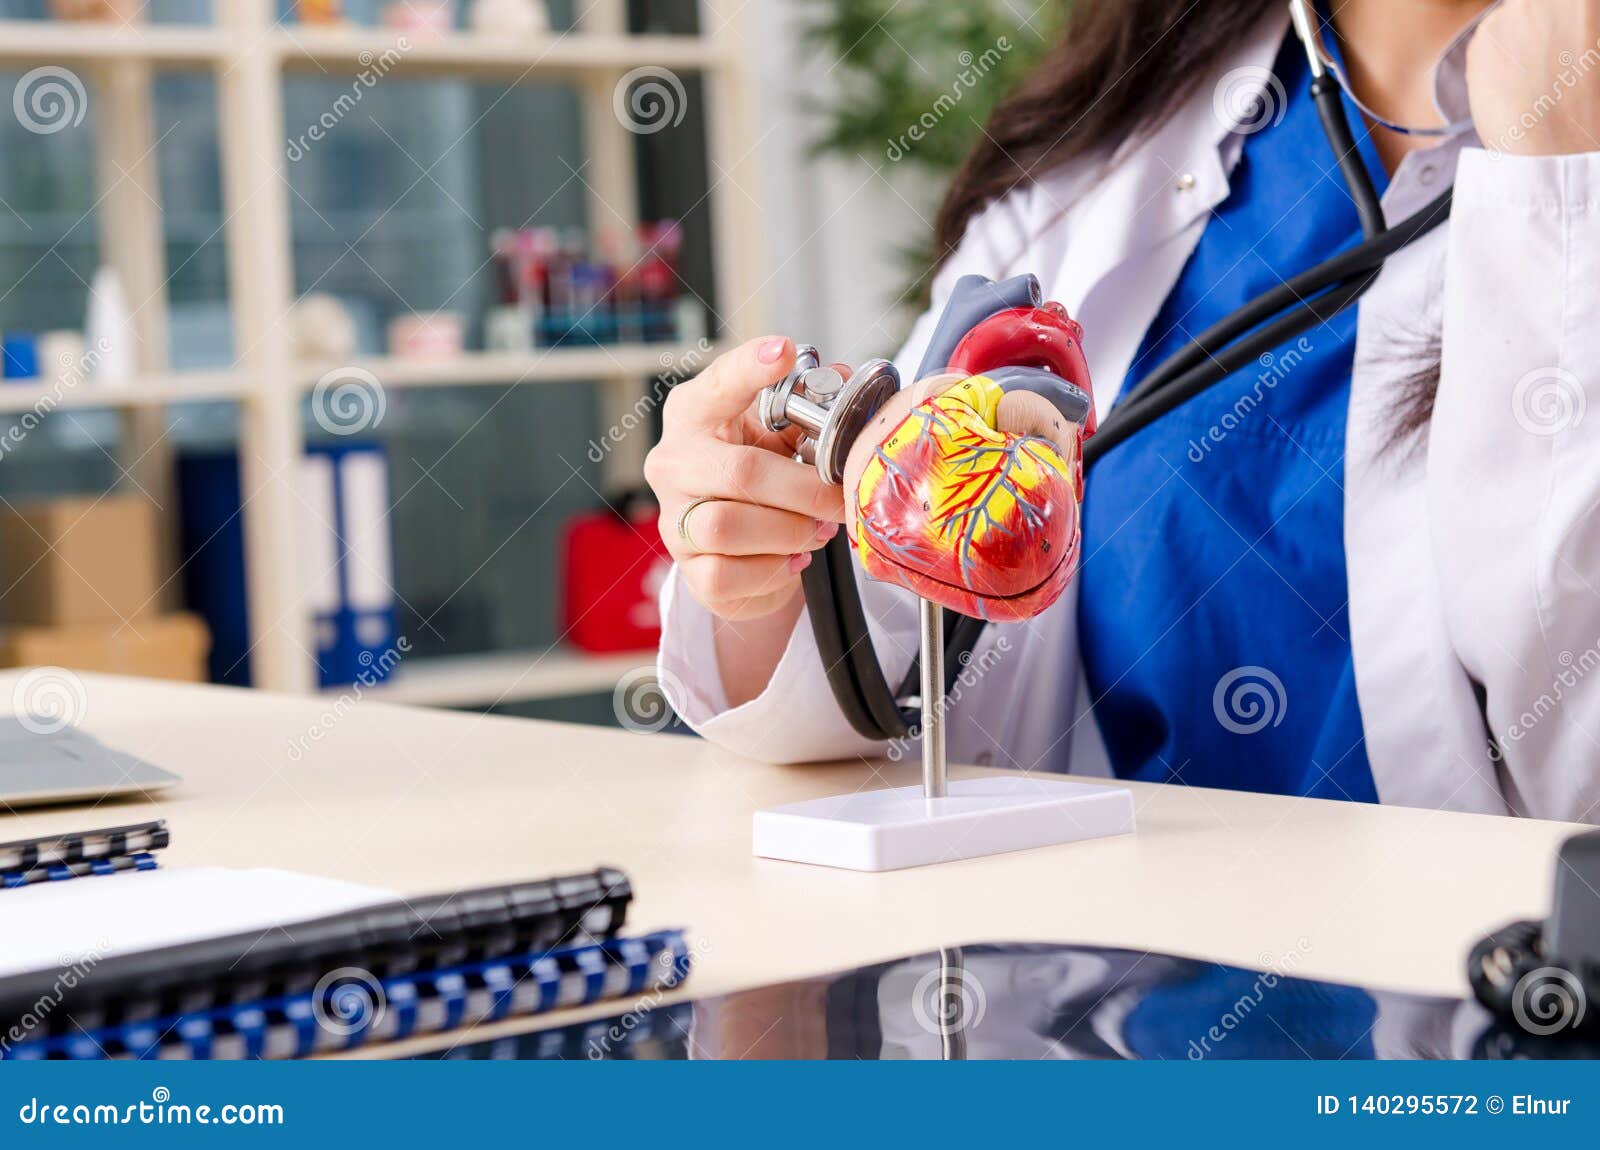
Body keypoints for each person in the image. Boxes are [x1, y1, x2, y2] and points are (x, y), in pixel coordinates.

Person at [643, 0, 1600, 821]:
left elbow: (1579, 792)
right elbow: (901, 662)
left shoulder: (1573, 149)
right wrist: (762, 551)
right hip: (1098, 1007)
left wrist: (1565, 180)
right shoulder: (1105, 160)